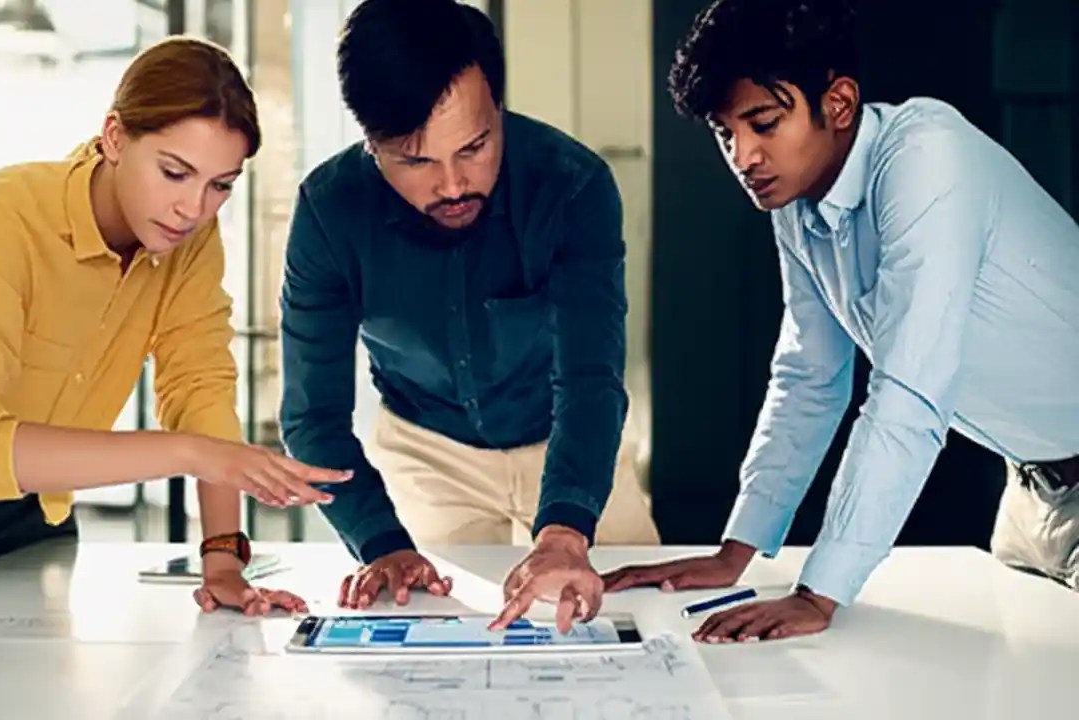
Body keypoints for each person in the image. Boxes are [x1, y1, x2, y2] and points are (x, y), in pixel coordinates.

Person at [0, 36, 349, 627]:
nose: (194, 209)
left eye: (220, 185)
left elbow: (200, 385)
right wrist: (191, 453)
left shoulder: (190, 242)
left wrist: (222, 559)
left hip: (32, 508)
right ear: (114, 137)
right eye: (174, 173)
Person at [603, 0, 1079, 643]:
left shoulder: (926, 156)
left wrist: (819, 593)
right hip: (1031, 493)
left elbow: (910, 394)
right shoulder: (797, 206)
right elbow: (809, 376)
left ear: (840, 103)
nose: (743, 156)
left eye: (763, 123)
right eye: (724, 133)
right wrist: (736, 552)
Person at [279, 0, 659, 632]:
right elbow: (312, 417)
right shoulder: (329, 211)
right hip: (429, 454)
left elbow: (591, 379)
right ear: (370, 141)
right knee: (433, 631)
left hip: (568, 436)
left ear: (499, 108)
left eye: (475, 147)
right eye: (416, 161)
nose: (453, 185)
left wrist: (566, 529)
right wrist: (379, 542)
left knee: (637, 623)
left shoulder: (573, 185)